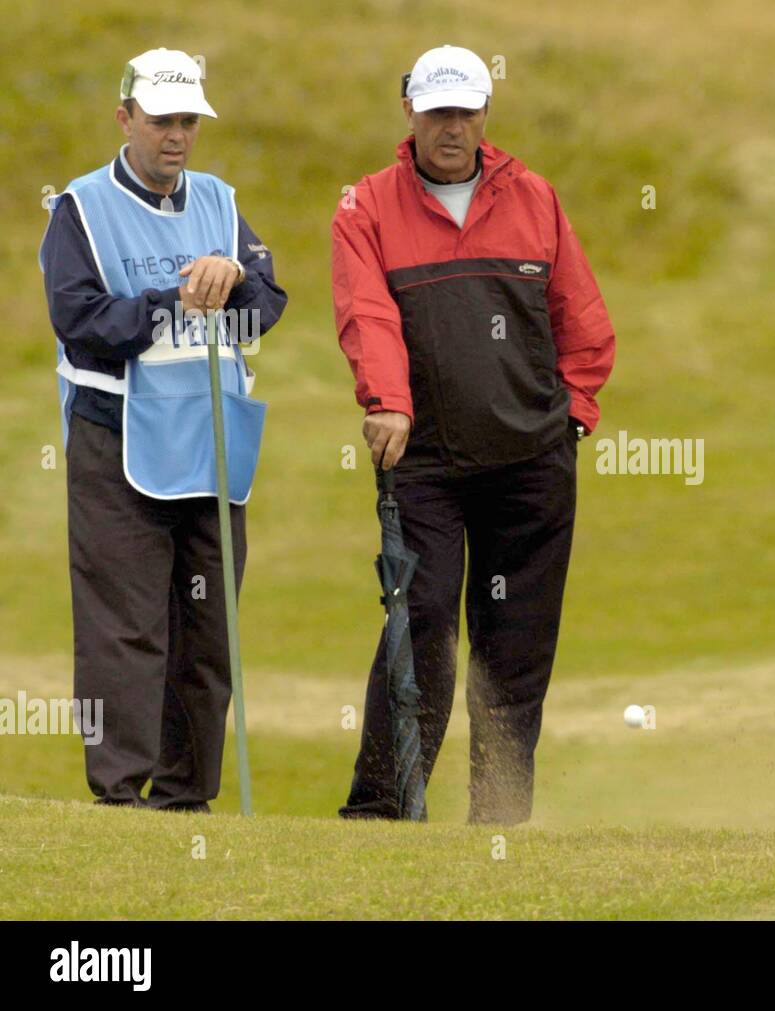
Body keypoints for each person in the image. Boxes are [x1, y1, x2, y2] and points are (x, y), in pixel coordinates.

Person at [332, 45, 615, 824]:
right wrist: (386, 399)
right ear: (410, 113)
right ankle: (384, 809)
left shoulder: (534, 197)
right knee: (420, 622)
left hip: (531, 461)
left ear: (485, 112)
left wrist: (575, 414)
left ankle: (499, 816)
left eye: (464, 111)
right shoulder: (367, 207)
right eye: (437, 112)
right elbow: (369, 313)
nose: (451, 127)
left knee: (517, 647)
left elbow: (581, 319)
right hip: (423, 460)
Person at [39, 48, 288, 810]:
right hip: (115, 437)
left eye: (188, 121)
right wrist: (173, 301)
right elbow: (80, 319)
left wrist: (236, 280)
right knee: (125, 625)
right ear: (125, 118)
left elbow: (270, 302)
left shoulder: (219, 200)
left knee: (209, 626)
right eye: (161, 121)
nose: (176, 136)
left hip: (210, 438)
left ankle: (186, 794)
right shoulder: (79, 208)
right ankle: (119, 794)